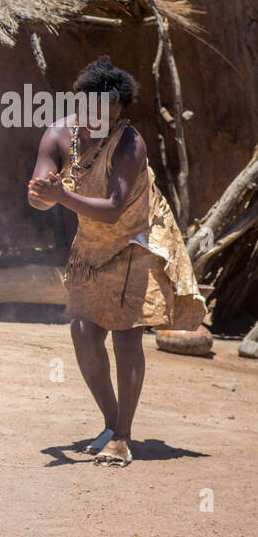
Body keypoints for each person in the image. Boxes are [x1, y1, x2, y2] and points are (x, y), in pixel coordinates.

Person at [28, 55, 205, 467]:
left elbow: (111, 207)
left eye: (108, 114)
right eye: (91, 110)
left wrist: (61, 197)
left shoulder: (129, 143)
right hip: (91, 243)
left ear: (120, 112)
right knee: (83, 333)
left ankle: (123, 437)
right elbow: (38, 193)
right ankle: (111, 423)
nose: (98, 120)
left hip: (137, 239)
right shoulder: (57, 135)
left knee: (126, 334)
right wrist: (40, 194)